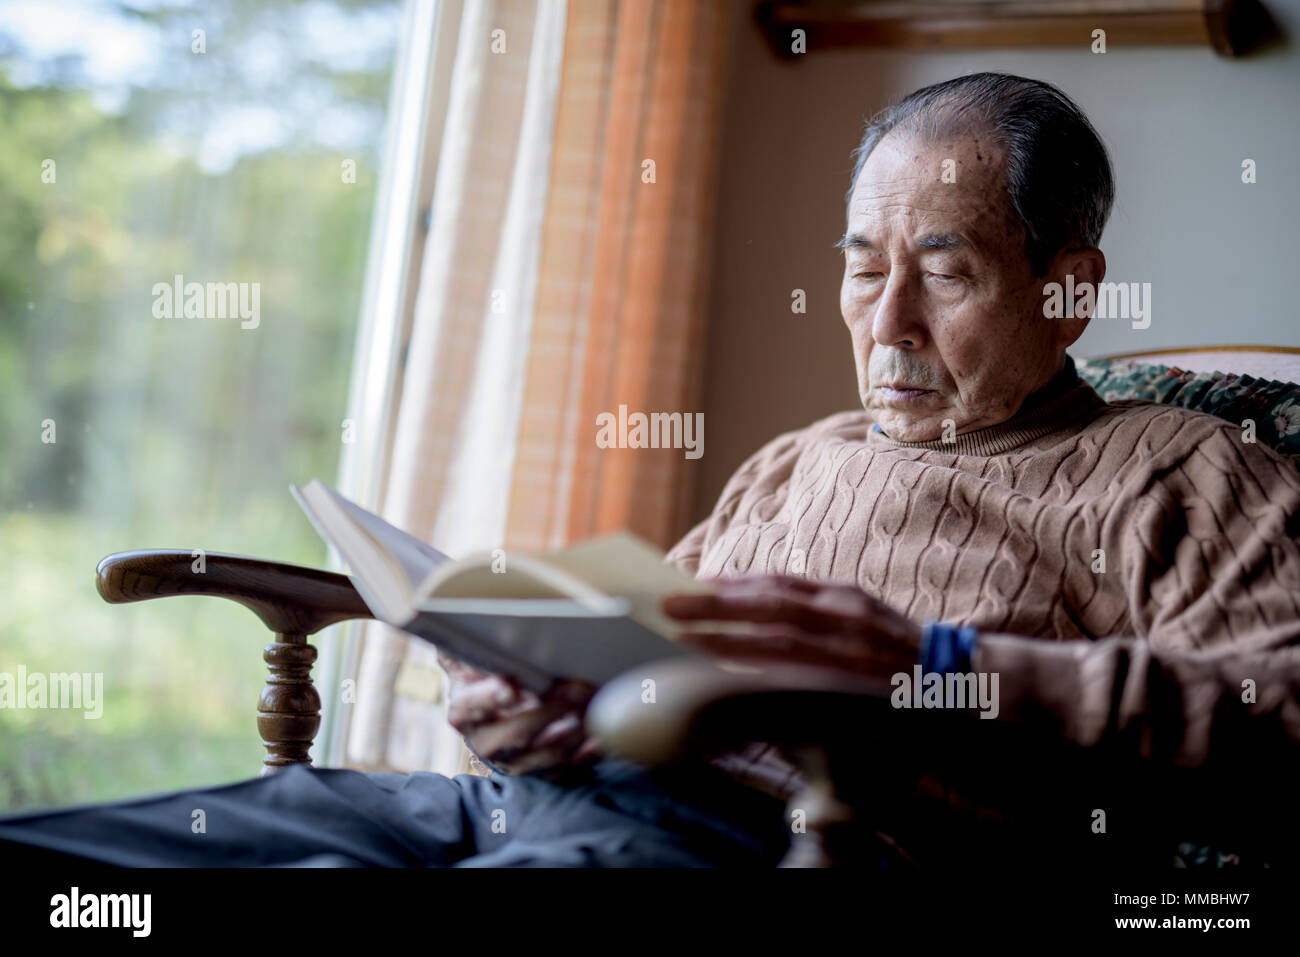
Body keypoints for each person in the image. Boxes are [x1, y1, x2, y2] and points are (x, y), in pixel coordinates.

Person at [3, 72, 1297, 868]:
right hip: (502, 805)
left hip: (769, 852)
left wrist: (938, 673)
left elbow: (1276, 716)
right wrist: (521, 697)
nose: (885, 319)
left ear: (1069, 294)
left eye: (945, 271)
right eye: (862, 265)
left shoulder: (1181, 469)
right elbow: (640, 650)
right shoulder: (802, 461)